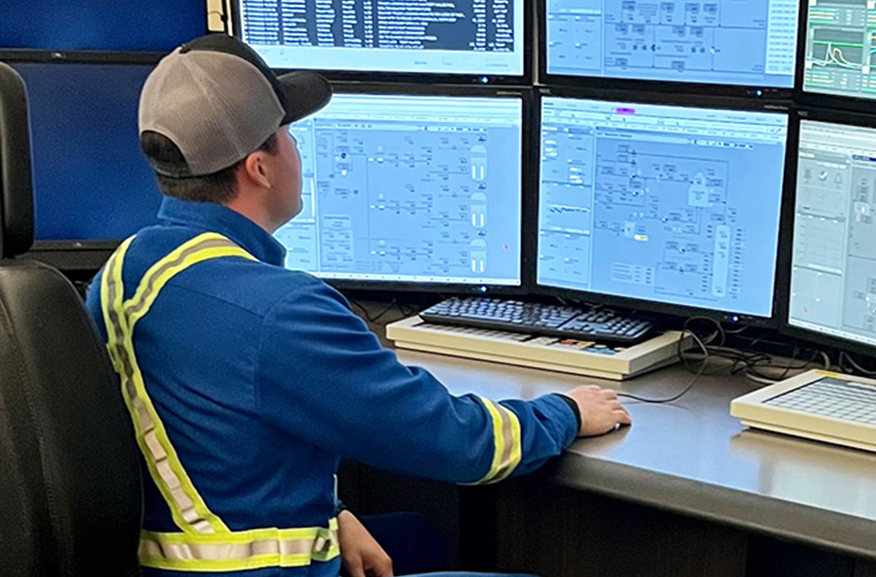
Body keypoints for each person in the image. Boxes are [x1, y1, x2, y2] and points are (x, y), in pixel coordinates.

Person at [85, 34, 632, 577]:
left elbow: (209, 446)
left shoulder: (121, 275)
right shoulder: (280, 313)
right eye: (289, 134)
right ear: (260, 168)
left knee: (416, 535)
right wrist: (565, 413)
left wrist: (335, 511)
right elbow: (462, 444)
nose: (298, 148)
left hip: (173, 559)